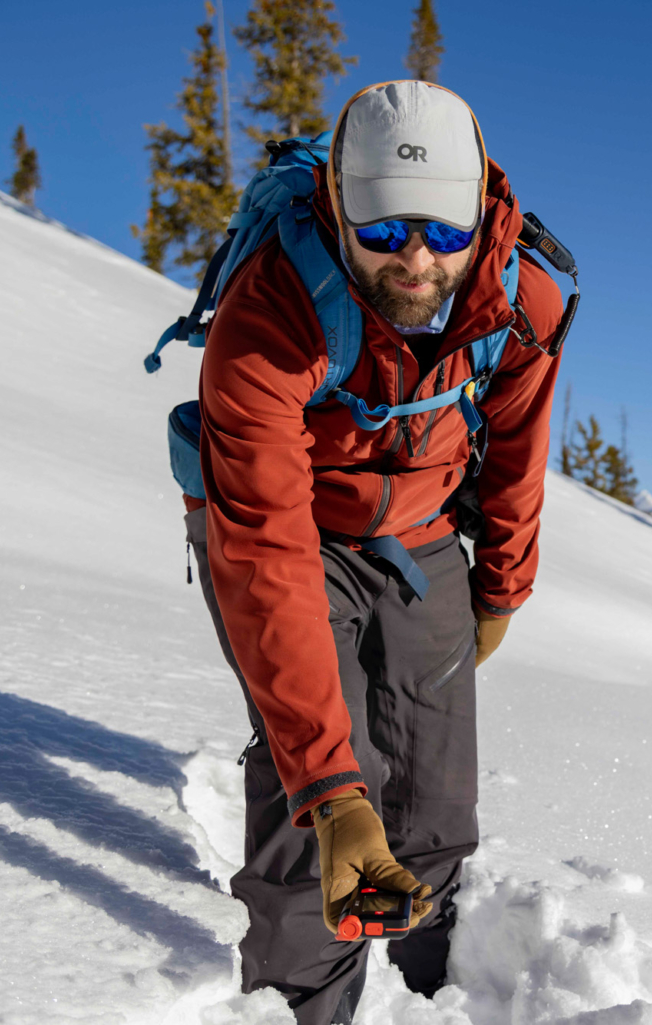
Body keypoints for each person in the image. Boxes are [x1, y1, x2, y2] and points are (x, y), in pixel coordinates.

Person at [183, 80, 563, 1024]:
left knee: (437, 783)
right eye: (386, 233)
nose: (419, 260)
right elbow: (264, 547)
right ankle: (304, 1002)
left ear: (481, 217)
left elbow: (518, 450)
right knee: (309, 778)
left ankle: (428, 965)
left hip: (422, 530)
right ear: (341, 210)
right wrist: (330, 788)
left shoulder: (524, 300)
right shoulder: (271, 316)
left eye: (442, 231)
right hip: (287, 528)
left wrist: (502, 587)